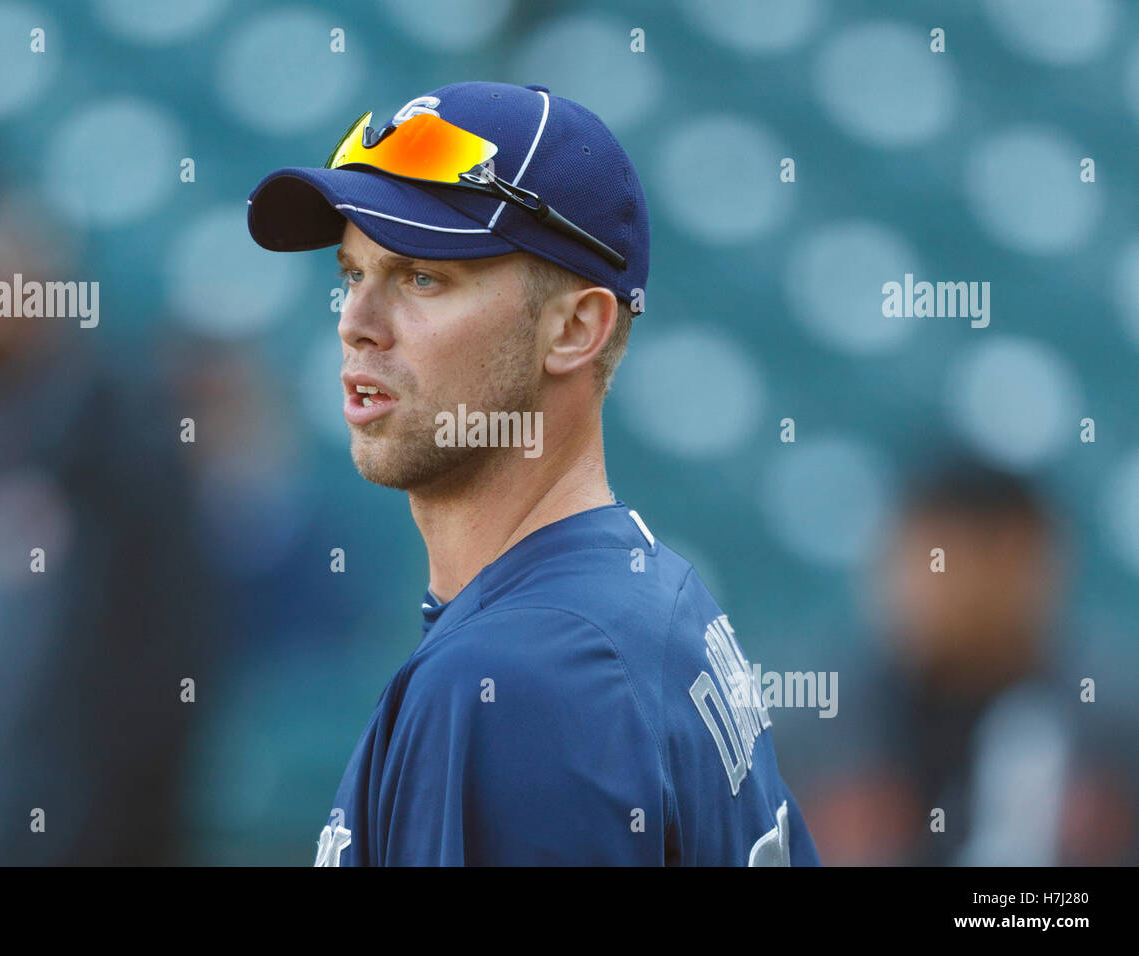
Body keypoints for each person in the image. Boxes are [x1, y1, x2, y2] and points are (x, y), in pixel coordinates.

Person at [247, 81, 819, 866]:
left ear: (577, 329)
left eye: (421, 277)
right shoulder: (642, 592)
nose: (356, 323)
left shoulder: (517, 681)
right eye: (353, 275)